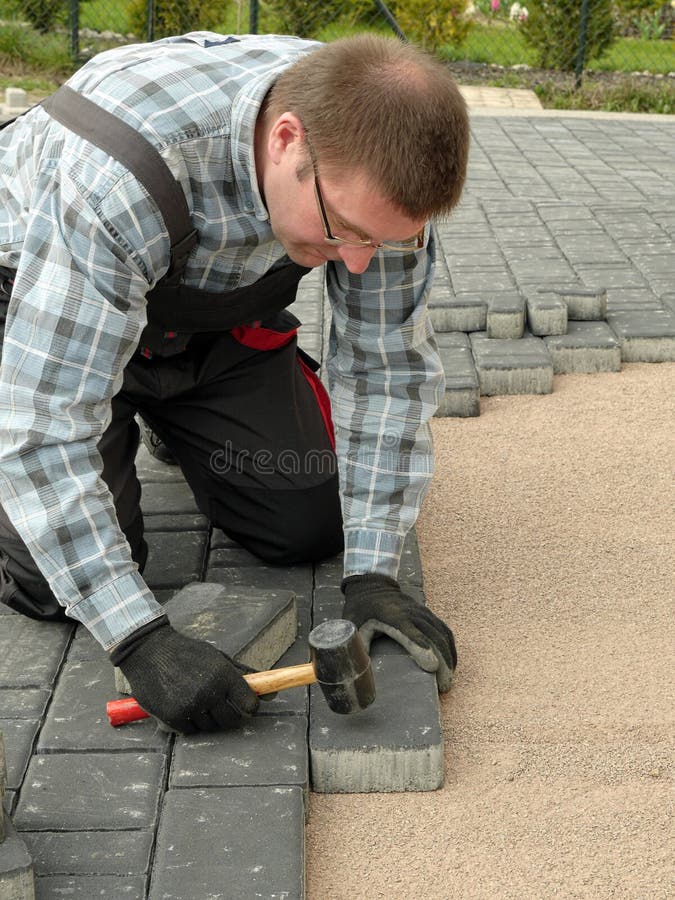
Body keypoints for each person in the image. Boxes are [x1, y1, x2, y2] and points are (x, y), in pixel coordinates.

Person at [0, 32, 468, 734]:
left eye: (384, 241)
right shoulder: (115, 173)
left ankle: (166, 419)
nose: (361, 264)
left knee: (312, 515)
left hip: (206, 324)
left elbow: (384, 371)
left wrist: (374, 574)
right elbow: (43, 428)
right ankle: (102, 419)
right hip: (44, 306)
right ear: (285, 139)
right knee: (54, 585)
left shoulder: (373, 178)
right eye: (342, 232)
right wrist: (139, 641)